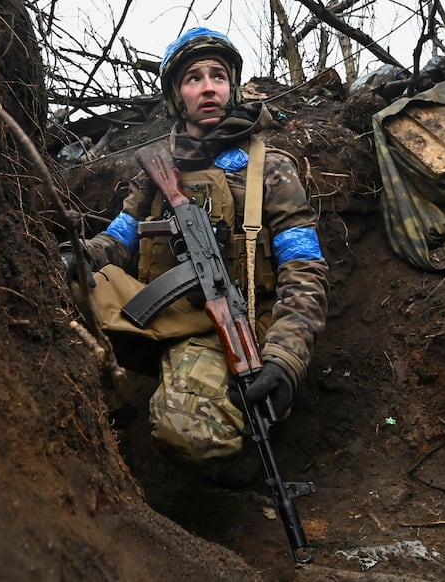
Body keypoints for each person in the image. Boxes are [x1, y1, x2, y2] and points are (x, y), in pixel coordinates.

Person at [65, 27, 329, 481]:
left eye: (218, 76)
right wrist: (78, 254)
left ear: (232, 87)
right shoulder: (156, 172)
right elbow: (118, 241)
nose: (208, 87)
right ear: (177, 95)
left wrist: (285, 358)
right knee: (62, 284)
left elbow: (304, 269)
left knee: (193, 432)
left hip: (238, 319)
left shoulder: (270, 168)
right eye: (193, 78)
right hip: (166, 315)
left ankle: (232, 444)